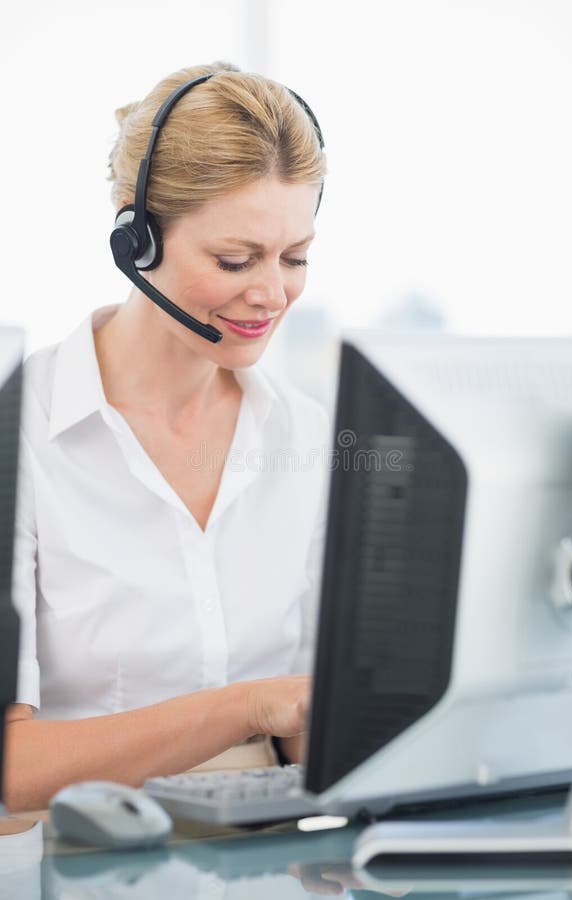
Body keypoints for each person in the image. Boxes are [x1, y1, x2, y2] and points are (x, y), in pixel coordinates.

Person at [4, 61, 329, 812]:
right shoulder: (18, 434)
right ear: (135, 234)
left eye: (296, 257)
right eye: (235, 259)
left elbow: (320, 723)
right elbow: (10, 767)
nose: (271, 293)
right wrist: (247, 707)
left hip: (278, 860)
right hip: (81, 861)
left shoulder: (306, 435)